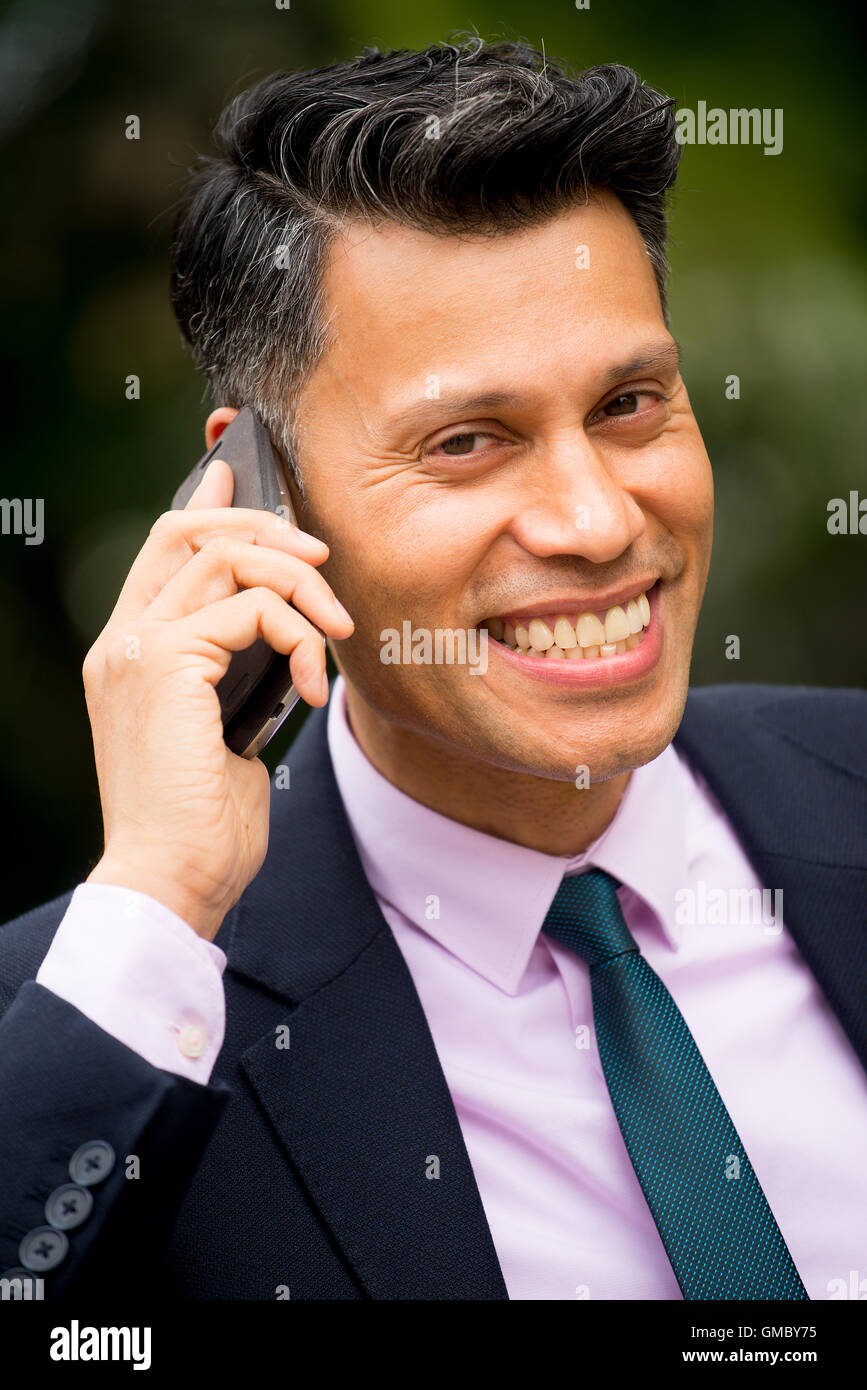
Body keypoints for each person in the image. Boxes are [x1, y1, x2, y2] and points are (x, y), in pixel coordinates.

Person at [1, 37, 865, 1302]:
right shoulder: (104, 1010)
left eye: (629, 405)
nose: (598, 520)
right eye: (468, 441)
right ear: (257, 493)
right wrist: (157, 899)